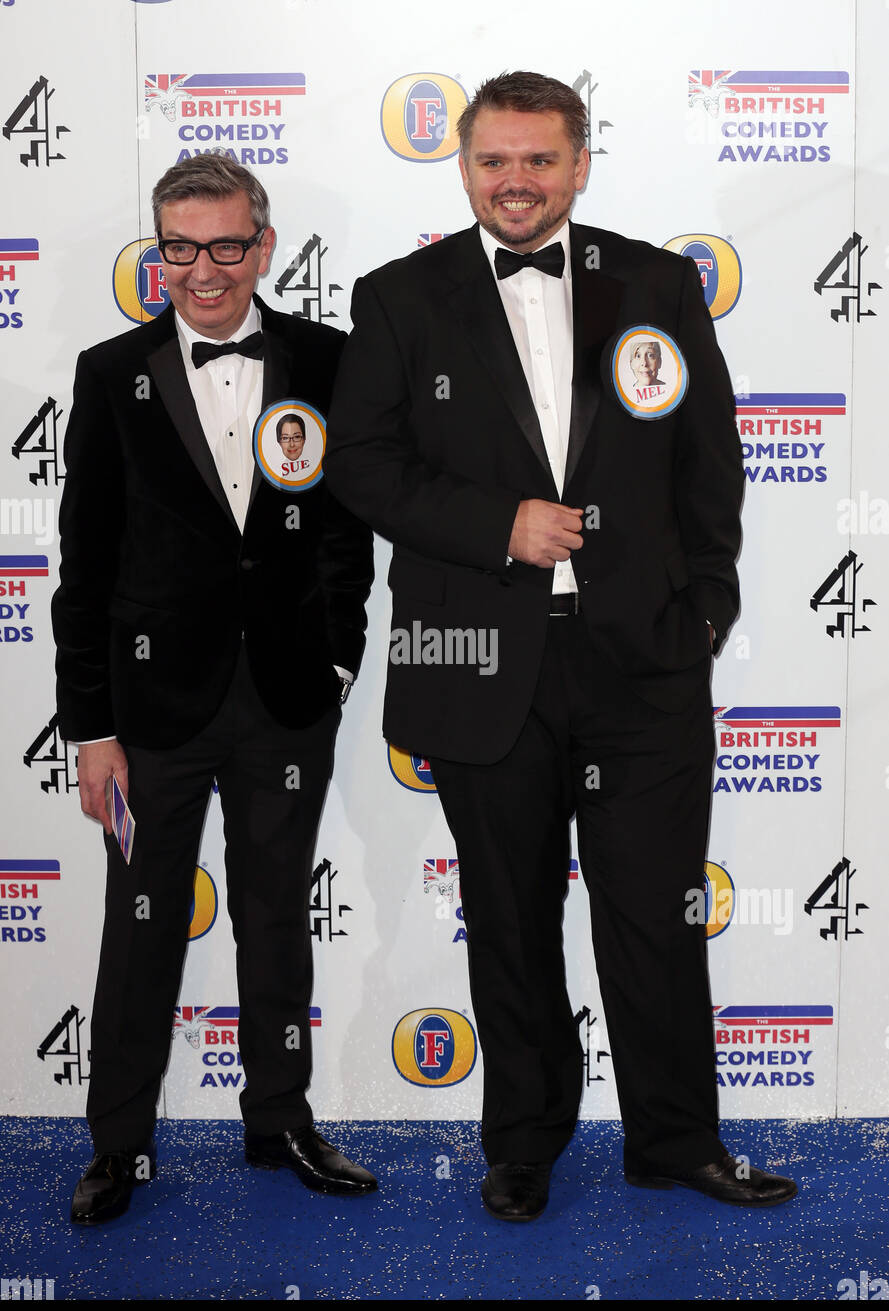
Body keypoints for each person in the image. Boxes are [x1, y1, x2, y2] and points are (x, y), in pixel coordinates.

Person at [325, 72, 796, 1220]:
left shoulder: (654, 280)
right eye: (494, 161)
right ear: (463, 166)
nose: (517, 182)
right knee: (508, 916)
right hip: (474, 660)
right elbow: (361, 466)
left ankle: (675, 1140)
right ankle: (524, 1141)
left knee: (654, 914)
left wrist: (707, 606)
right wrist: (501, 528)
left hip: (642, 660)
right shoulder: (397, 298)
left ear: (581, 164)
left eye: (539, 160)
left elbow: (708, 456)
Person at [52, 153, 376, 1223]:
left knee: (277, 916)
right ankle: (120, 1146)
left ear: (264, 247)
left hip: (286, 697)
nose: (203, 271)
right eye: (179, 248)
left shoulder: (327, 360)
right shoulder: (111, 374)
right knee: (141, 923)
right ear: (158, 254)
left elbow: (344, 532)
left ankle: (280, 1119)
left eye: (226, 245)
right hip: (153, 715)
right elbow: (85, 569)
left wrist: (336, 655)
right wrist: (93, 728)